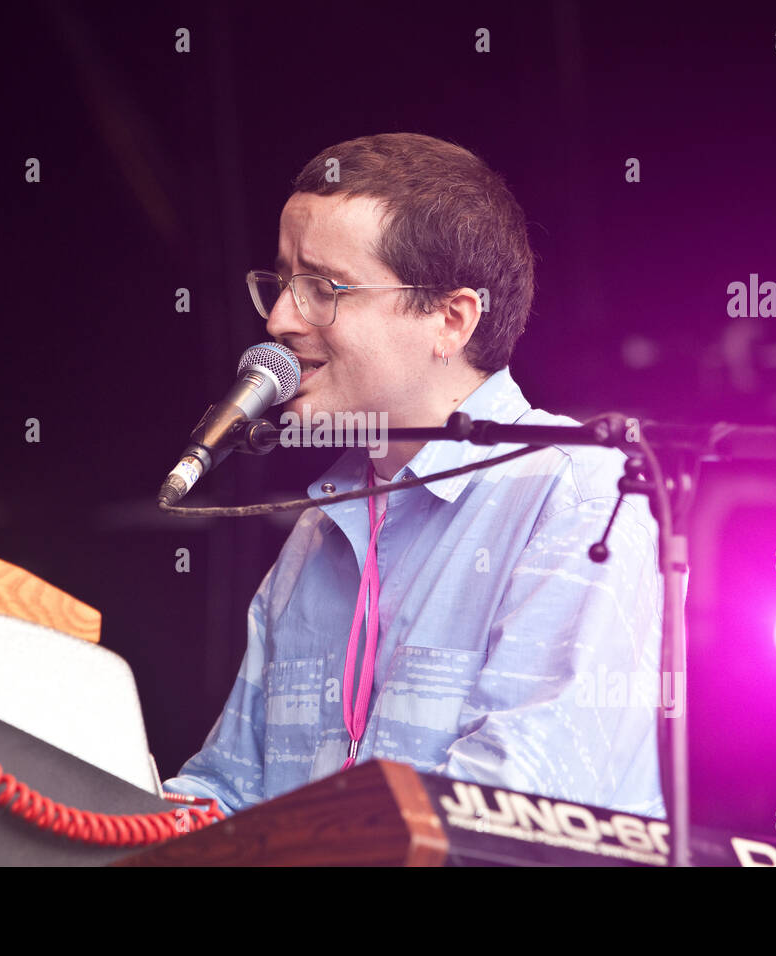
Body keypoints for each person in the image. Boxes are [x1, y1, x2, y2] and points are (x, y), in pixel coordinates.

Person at [162, 132, 667, 821]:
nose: (279, 319)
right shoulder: (319, 530)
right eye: (280, 284)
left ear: (450, 320)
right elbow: (227, 793)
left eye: (323, 288)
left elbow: (512, 812)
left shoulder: (577, 494)